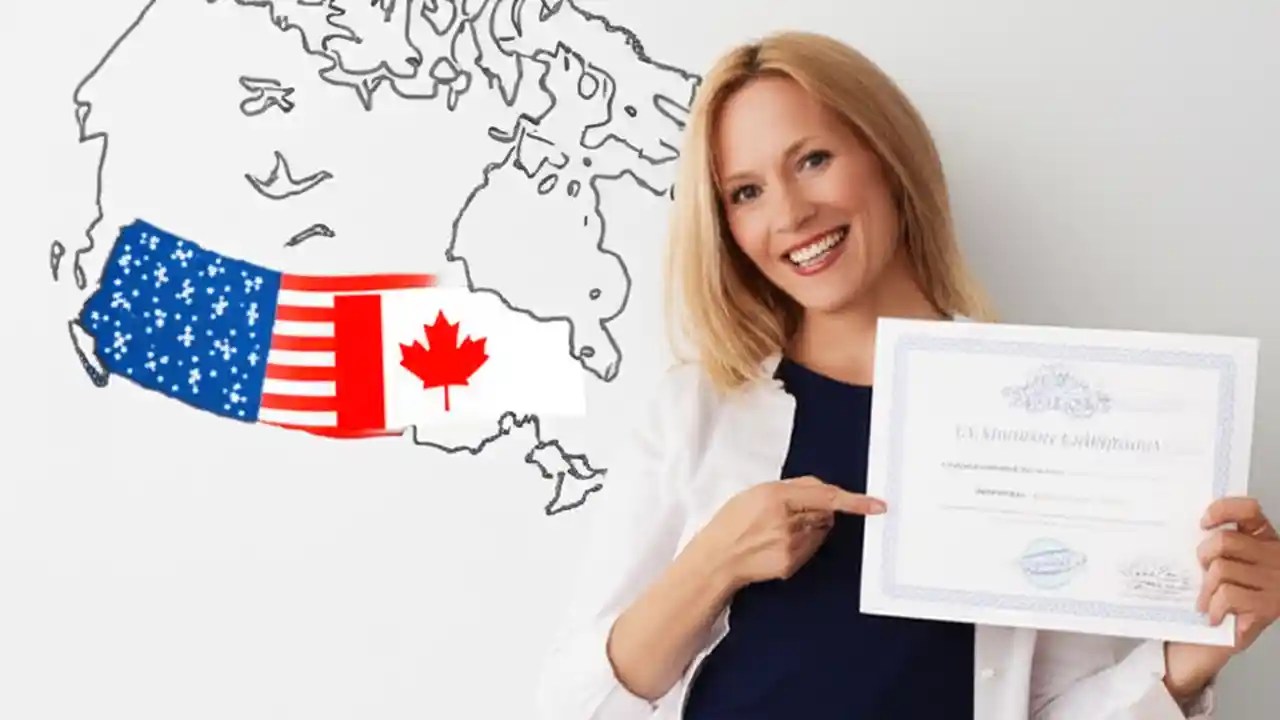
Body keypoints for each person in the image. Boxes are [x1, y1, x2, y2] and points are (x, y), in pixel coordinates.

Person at [535, 30, 1280, 719]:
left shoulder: (1048, 411)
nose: (790, 213)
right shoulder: (695, 411)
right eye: (746, 192)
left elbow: (1048, 706)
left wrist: (1192, 656)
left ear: (888, 156)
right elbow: (571, 706)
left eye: (813, 160)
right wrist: (713, 562)